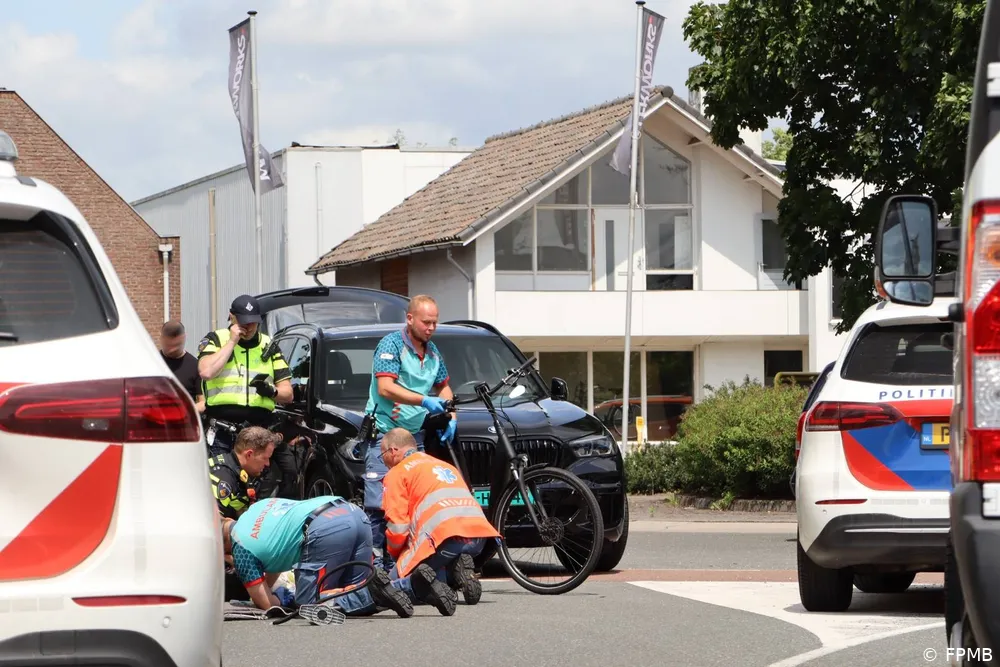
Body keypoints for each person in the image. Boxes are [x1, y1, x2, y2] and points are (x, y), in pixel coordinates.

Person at [364, 294, 458, 573]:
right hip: (384, 436)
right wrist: (423, 400)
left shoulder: (433, 352)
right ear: (410, 319)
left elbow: (443, 387)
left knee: (414, 503)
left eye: (434, 323)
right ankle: (377, 568)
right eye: (425, 322)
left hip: (413, 439)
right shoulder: (391, 344)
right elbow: (385, 388)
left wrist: (451, 415)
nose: (430, 328)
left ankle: (409, 564)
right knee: (379, 506)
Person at [221, 495, 414, 619]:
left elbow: (268, 605)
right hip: (352, 512)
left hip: (326, 528)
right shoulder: (256, 509)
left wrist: (282, 599)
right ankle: (414, 584)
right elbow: (273, 562)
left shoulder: (241, 550)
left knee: (308, 607)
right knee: (352, 595)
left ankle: (376, 591)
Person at [380, 428, 500, 616]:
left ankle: (442, 581)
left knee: (391, 587)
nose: (384, 462)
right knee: (432, 562)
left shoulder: (397, 473)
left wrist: (395, 555)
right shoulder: (444, 465)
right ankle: (455, 571)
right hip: (478, 538)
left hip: (445, 538)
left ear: (393, 451)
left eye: (383, 455)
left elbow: (398, 526)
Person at [198, 294, 296, 496]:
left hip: (258, 432)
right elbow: (206, 372)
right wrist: (232, 342)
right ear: (231, 317)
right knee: (223, 485)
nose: (249, 327)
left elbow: (288, 394)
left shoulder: (269, 345)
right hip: (224, 430)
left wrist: (272, 391)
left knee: (282, 475)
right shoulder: (216, 339)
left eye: (253, 322)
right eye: (244, 322)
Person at [209, 426, 278, 520]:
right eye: (265, 458)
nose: (267, 464)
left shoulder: (238, 469)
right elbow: (211, 521)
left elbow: (238, 508)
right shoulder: (223, 477)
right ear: (249, 454)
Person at [159, 320, 204, 412]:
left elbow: (203, 402)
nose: (171, 350)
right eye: (168, 346)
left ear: (183, 338)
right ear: (161, 338)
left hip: (183, 421)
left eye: (175, 346)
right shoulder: (152, 361)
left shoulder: (195, 366)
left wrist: (184, 411)